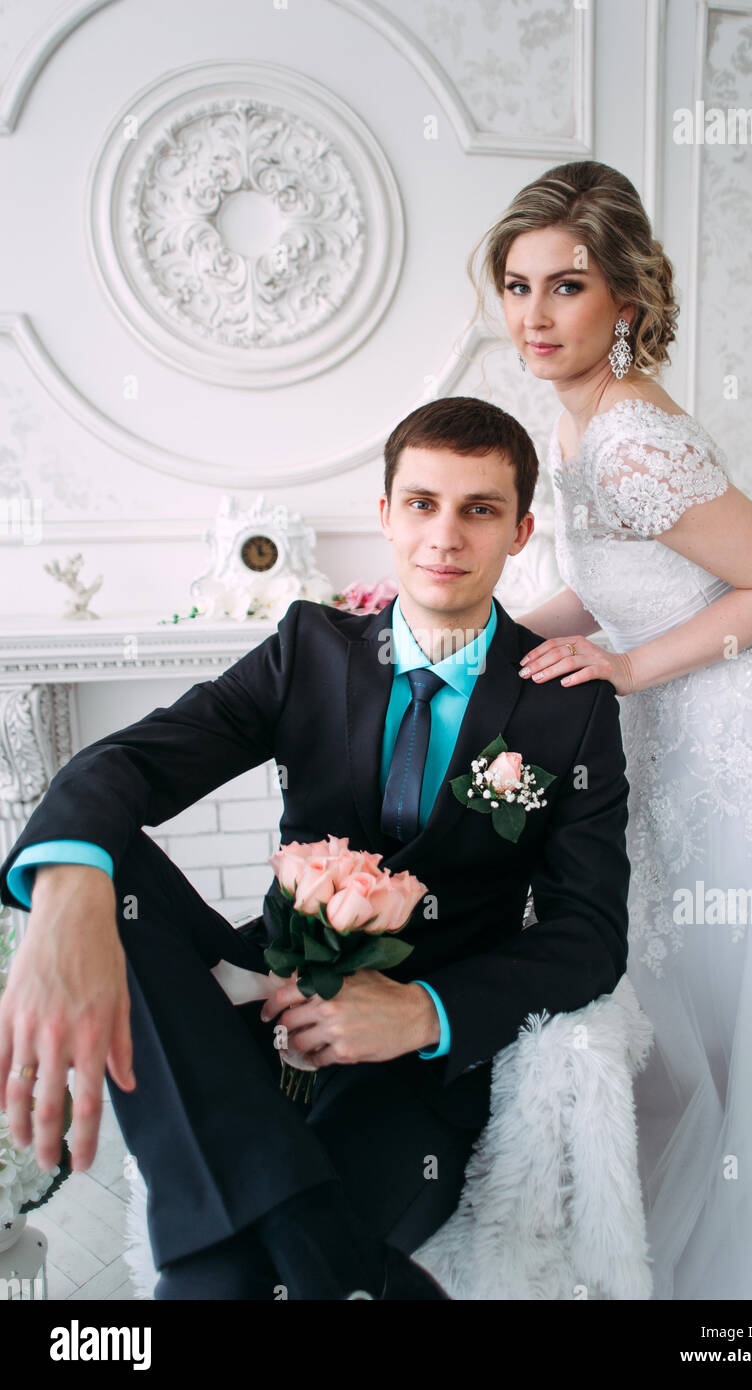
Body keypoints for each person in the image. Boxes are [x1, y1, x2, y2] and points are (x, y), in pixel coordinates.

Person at [0, 396, 630, 1300]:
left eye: (478, 510)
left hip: (410, 1071)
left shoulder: (566, 703)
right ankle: (312, 1246)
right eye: (420, 503)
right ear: (384, 516)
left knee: (238, 1274)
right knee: (106, 866)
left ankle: (222, 1262)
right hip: (256, 1010)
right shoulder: (309, 650)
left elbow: (589, 934)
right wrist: (62, 899)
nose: (443, 535)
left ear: (521, 530)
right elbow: (131, 761)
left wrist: (420, 1012)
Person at [466, 158, 752, 1300]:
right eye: (516, 283)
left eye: (567, 287)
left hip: (742, 739)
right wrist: (474, 635)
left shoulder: (631, 436)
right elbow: (627, 584)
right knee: (706, 1029)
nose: (533, 315)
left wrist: (627, 668)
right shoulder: (587, 417)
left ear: (625, 304)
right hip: (684, 717)